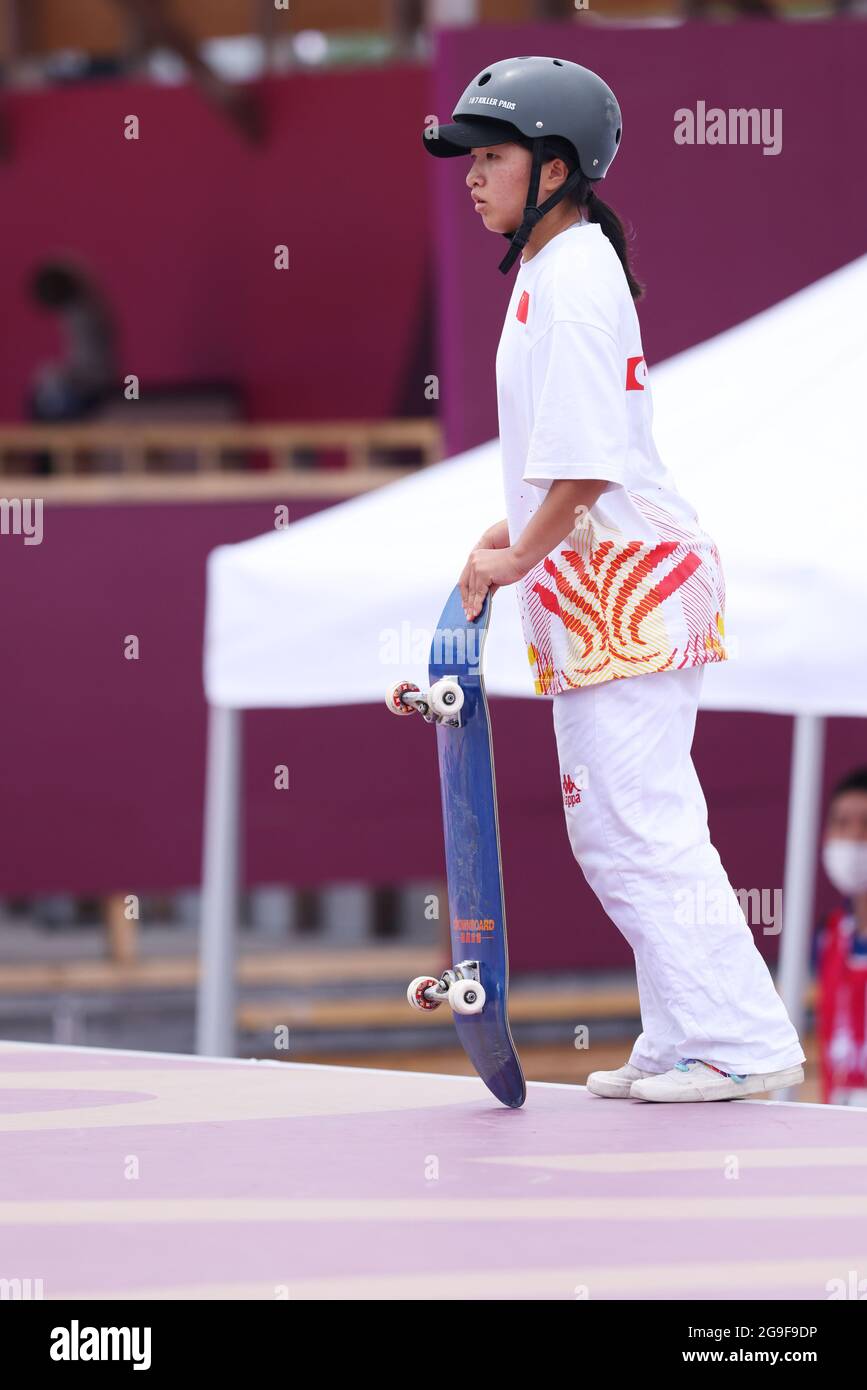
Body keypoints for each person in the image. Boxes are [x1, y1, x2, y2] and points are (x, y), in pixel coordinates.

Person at [423, 55, 805, 1103]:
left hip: (625, 587)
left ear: (554, 169)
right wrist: (515, 530)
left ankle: (739, 1038)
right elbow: (577, 461)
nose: (471, 174)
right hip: (609, 583)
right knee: (622, 820)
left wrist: (516, 550)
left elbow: (590, 465)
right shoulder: (559, 269)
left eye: (490, 156)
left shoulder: (576, 277)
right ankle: (688, 1031)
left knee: (637, 821)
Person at [815, 769, 867, 1106]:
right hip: (839, 1134)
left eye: (866, 824)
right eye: (842, 824)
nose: (854, 837)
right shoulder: (828, 937)